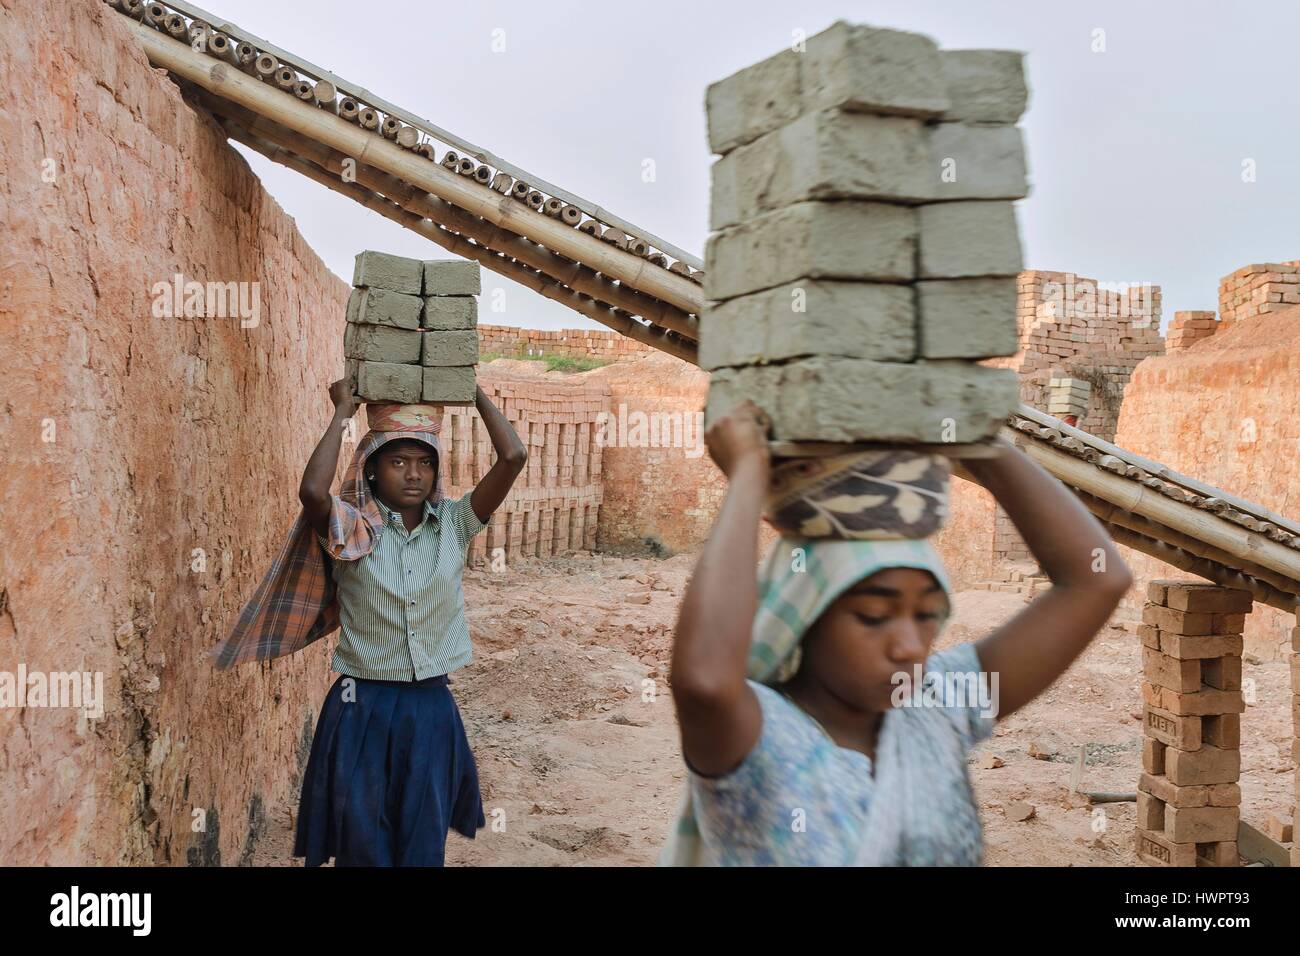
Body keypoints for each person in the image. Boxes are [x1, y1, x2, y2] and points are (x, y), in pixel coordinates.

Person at [660, 400, 1132, 866]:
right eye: (872, 616)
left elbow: (1097, 579)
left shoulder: (935, 707)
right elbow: (704, 679)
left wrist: (981, 446)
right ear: (809, 613)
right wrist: (748, 475)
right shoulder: (758, 737)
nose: (909, 646)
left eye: (927, 615)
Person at [210, 379, 526, 866]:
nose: (413, 474)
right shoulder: (350, 530)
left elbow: (512, 458)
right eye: (398, 462)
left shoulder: (456, 526)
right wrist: (343, 412)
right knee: (362, 845)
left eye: (424, 462)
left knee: (421, 844)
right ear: (372, 471)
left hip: (430, 709)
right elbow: (312, 491)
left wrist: (473, 390)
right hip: (362, 708)